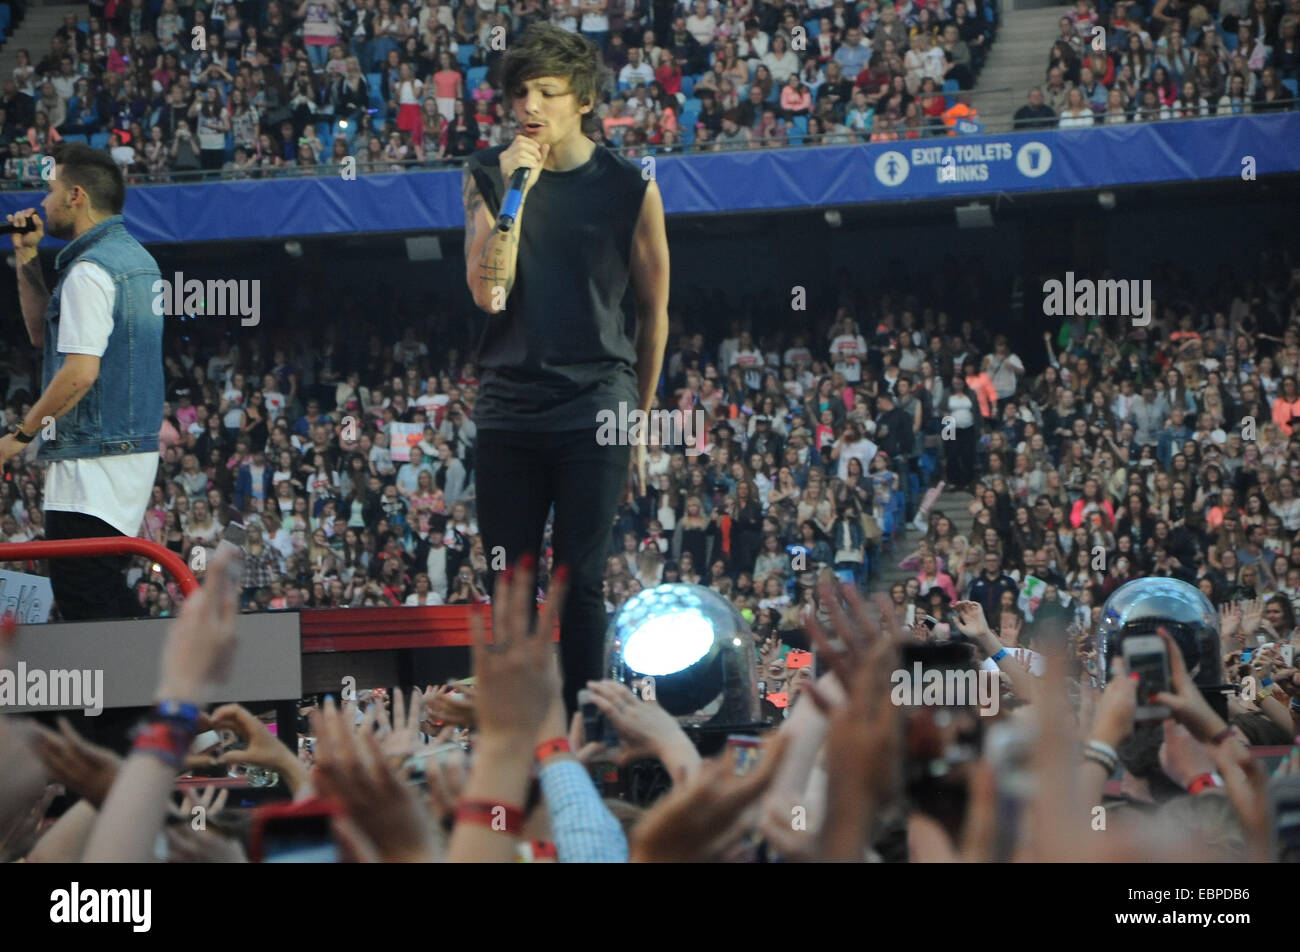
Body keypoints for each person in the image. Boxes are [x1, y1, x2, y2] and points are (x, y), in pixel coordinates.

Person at [462, 24, 670, 715]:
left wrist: (637, 421)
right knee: (510, 586)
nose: (531, 105)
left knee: (577, 580)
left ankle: (585, 737)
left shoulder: (629, 187)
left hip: (597, 404)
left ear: (582, 100)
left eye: (548, 92)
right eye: (520, 91)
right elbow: (490, 291)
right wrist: (518, 190)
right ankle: (522, 736)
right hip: (508, 407)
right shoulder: (488, 175)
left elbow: (654, 313)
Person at [6, 142, 163, 620]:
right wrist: (28, 256)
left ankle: (147, 692)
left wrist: (16, 439)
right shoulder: (134, 259)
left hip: (91, 460)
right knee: (100, 593)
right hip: (122, 453)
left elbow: (79, 371)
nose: (42, 201)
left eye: (50, 190)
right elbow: (42, 335)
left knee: (87, 602)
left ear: (76, 195)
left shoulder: (90, 271)